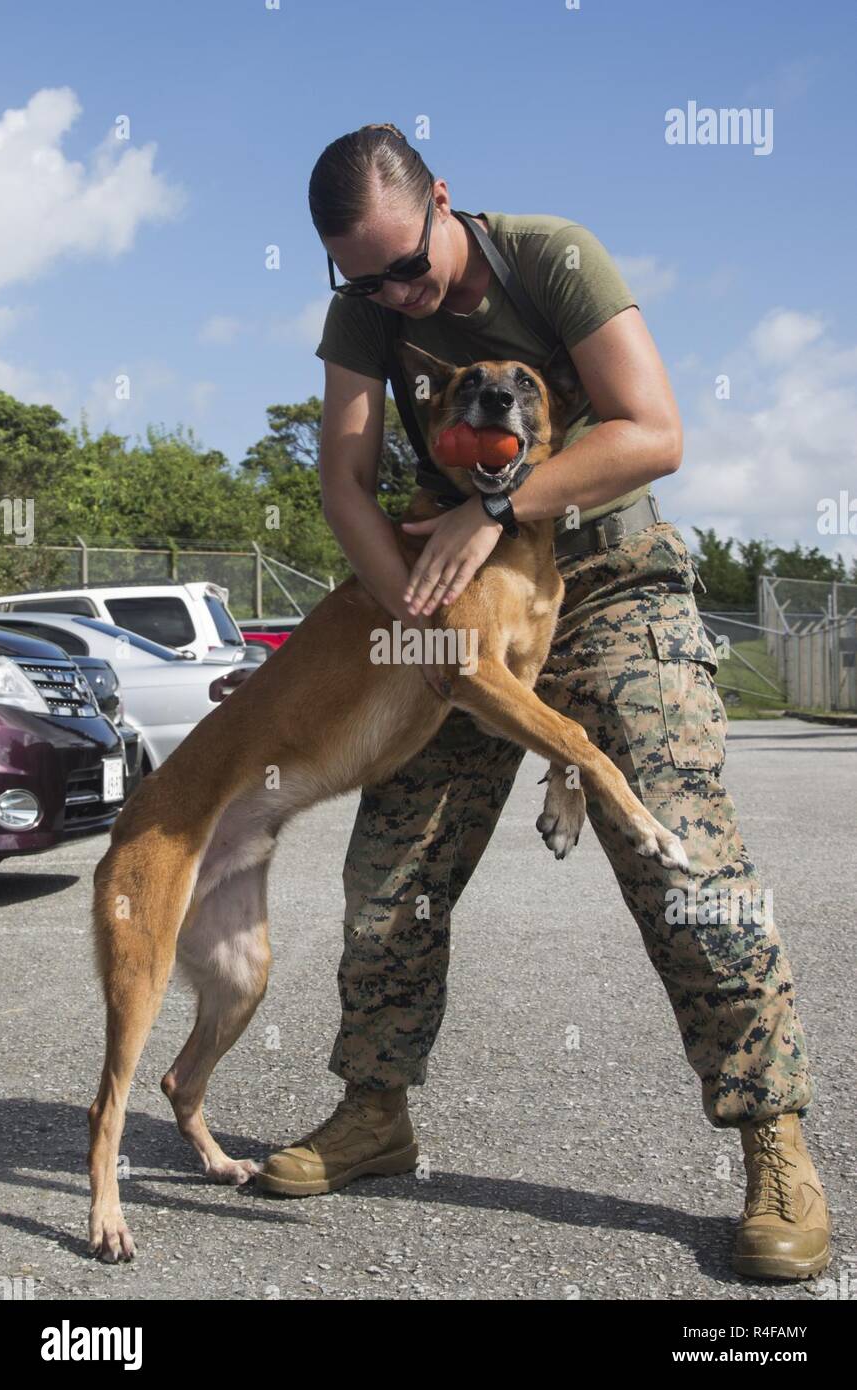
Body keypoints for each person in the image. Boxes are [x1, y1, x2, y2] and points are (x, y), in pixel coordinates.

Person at [257, 123, 830, 1281]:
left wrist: (496, 506)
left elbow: (653, 432)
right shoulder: (366, 310)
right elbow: (344, 481)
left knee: (676, 840)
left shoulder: (549, 258)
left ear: (445, 207)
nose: (388, 294)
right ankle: (375, 1111)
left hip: (602, 576)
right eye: (357, 278)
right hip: (451, 597)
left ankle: (773, 1137)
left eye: (404, 269)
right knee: (393, 863)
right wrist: (405, 611)